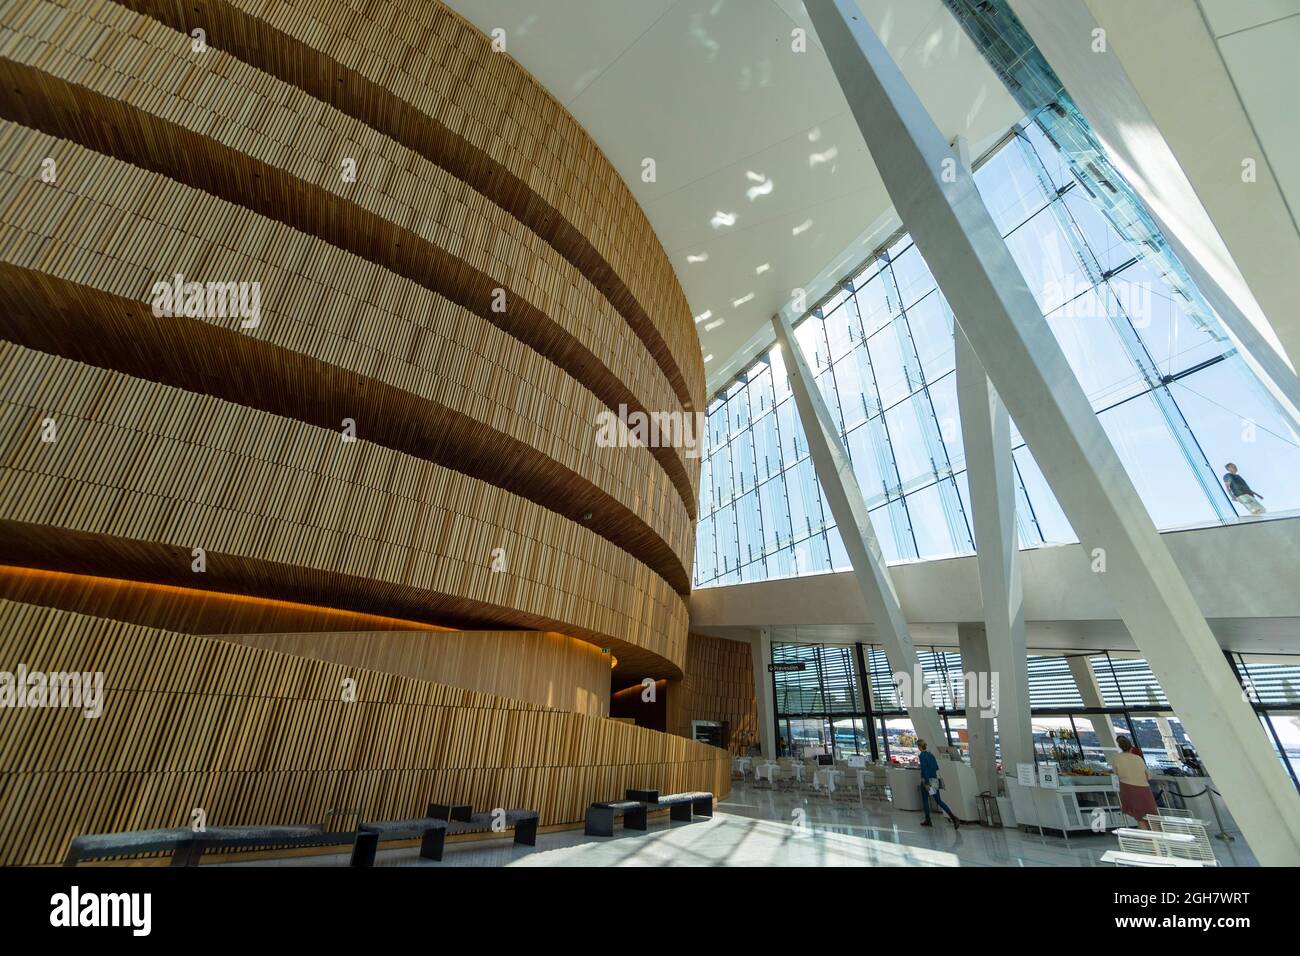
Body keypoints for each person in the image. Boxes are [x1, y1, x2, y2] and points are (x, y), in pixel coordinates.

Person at [1111, 735, 1158, 829]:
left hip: (1128, 788)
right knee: (1152, 816)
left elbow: (1116, 774)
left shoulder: (1117, 758)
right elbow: (1148, 776)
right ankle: (1158, 838)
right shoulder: (1138, 758)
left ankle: (1147, 839)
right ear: (1131, 746)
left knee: (1139, 816)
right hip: (1144, 789)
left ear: (1119, 746)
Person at [916, 739, 960, 829]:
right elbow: (936, 767)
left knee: (925, 800)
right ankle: (953, 817)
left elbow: (924, 769)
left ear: (919, 747)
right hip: (934, 781)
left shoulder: (922, 756)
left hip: (927, 782)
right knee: (938, 800)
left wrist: (927, 783)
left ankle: (928, 820)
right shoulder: (931, 755)